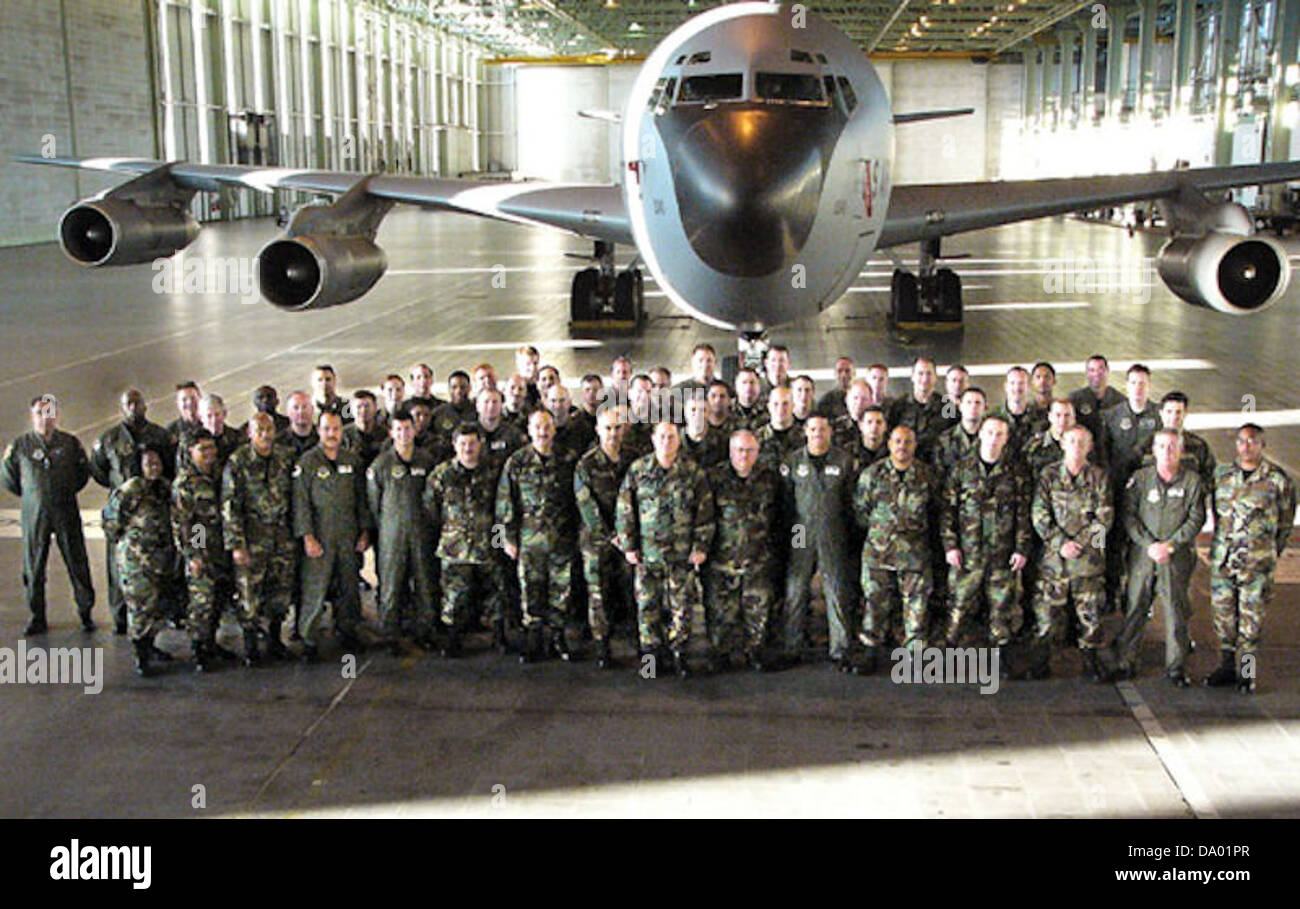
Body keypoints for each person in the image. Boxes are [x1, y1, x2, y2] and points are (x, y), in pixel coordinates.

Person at [616, 421, 715, 677]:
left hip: (681, 555)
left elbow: (705, 512)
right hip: (647, 556)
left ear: (678, 440)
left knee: (681, 608)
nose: (666, 441)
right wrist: (629, 545)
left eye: (671, 437)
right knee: (647, 608)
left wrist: (700, 546)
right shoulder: (638, 471)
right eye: (661, 436)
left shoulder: (693, 473)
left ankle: (679, 655)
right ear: (653, 439)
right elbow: (625, 509)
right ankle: (651, 660)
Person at [1205, 424, 1296, 693]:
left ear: (1262, 445)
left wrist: (1266, 551)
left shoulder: (1278, 480)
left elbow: (1285, 524)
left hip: (1256, 564)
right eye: (1242, 441)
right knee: (1223, 616)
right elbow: (1216, 514)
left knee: (1251, 620)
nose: (1246, 446)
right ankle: (1226, 666)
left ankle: (1247, 672)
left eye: (1253, 441)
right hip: (1224, 559)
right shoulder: (1222, 476)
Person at [1113, 430, 1206, 686]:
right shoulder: (1140, 480)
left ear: (1180, 450)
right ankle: (1126, 661)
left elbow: (1196, 518)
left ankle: (1176, 667)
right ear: (1153, 450)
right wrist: (1149, 544)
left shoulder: (1192, 482)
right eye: (1162, 446)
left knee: (1176, 611)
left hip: (1175, 558)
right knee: (1135, 607)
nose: (1166, 452)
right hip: (1143, 556)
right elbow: (1129, 515)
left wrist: (1171, 545)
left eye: (1172, 447)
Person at [2, 395, 95, 634]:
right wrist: (34, 496)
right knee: (34, 566)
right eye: (40, 413)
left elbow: (82, 474)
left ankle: (85, 612)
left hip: (65, 510)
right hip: (35, 514)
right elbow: (9, 478)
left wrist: (62, 491)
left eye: (49, 412)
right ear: (32, 417)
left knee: (77, 562)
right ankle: (37, 616)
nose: (45, 418)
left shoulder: (70, 443)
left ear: (56, 415)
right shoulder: (20, 446)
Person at [939, 415, 1031, 652]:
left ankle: (1000, 657)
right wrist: (950, 545)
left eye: (999, 434)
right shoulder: (962, 469)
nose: (993, 439)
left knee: (1001, 610)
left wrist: (1021, 549)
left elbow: (1023, 514)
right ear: (980, 433)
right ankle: (950, 652)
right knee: (958, 608)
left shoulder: (1015, 472)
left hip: (1002, 554)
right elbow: (947, 510)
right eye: (989, 432)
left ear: (1006, 438)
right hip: (967, 554)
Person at [1028, 426, 1113, 681]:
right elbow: (1039, 514)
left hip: (1088, 562)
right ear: (1063, 444)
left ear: (1090, 447)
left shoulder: (1100, 477)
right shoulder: (1049, 475)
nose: (1077, 446)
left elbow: (1104, 519)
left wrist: (1082, 545)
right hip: (1054, 561)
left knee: (1091, 616)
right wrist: (1060, 543)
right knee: (1047, 615)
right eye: (1072, 441)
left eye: (1082, 442)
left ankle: (1091, 662)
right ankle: (1042, 662)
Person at [855, 426, 939, 672]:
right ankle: (871, 651)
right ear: (889, 443)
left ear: (915, 445)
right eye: (898, 441)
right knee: (875, 604)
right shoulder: (873, 474)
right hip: (878, 553)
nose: (902, 446)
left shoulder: (927, 476)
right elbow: (861, 512)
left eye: (908, 442)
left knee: (917, 607)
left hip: (915, 554)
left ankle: (915, 656)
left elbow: (935, 511)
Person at [498, 410, 579, 663]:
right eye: (537, 427)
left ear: (554, 429)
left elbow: (579, 499)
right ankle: (533, 637)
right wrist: (507, 538)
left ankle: (557, 636)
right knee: (530, 589)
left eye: (547, 426)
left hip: (562, 538)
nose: (543, 431)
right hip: (529, 539)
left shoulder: (568, 459)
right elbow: (504, 502)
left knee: (560, 590)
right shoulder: (517, 461)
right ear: (529, 430)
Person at [90, 389, 173, 634]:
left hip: (158, 520)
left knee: (162, 576)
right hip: (128, 522)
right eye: (129, 403)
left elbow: (194, 524)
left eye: (138, 403)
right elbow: (99, 471)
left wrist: (196, 548)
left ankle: (159, 626)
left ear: (146, 406)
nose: (134, 408)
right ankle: (123, 621)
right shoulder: (109, 439)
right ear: (122, 407)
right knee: (121, 572)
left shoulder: (160, 436)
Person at [780, 414, 859, 670]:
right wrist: (789, 534)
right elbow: (786, 501)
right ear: (805, 431)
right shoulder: (793, 461)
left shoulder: (844, 461)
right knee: (796, 588)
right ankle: (792, 645)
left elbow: (851, 503)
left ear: (830, 432)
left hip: (832, 532)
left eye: (822, 429)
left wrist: (848, 535)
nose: (818, 433)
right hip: (800, 531)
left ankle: (841, 649)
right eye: (813, 429)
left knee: (836, 590)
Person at [292, 411, 372, 659]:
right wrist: (306, 535)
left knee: (349, 585)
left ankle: (348, 631)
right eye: (327, 429)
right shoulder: (307, 463)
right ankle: (308, 638)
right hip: (320, 535)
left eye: (336, 429)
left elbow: (361, 499)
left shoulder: (353, 461)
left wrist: (364, 530)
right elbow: (301, 502)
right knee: (315, 586)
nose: (331, 434)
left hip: (347, 533)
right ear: (319, 430)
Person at [425, 424, 510, 654]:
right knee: (454, 595)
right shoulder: (442, 474)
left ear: (480, 444)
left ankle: (499, 636)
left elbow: (503, 507)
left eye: (472, 443)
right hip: (455, 546)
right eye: (462, 443)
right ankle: (452, 638)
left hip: (489, 541)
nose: (468, 448)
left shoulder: (493, 470)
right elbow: (431, 511)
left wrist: (499, 543)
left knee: (495, 591)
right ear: (454, 445)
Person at [222, 413, 297, 666]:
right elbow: (230, 505)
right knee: (248, 594)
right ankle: (251, 647)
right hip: (252, 540)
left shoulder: (285, 458)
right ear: (250, 433)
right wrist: (236, 544)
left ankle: (275, 640)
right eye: (259, 430)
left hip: (281, 539)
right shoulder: (238, 461)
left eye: (269, 429)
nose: (265, 434)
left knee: (280, 592)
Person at [705, 430, 782, 671]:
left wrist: (782, 550)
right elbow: (704, 516)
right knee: (720, 612)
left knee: (757, 610)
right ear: (730, 451)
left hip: (758, 559)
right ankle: (721, 653)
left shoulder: (770, 479)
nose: (743, 455)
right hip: (721, 560)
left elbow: (783, 517)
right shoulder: (714, 478)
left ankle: (755, 652)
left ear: (758, 453)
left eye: (749, 450)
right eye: (739, 450)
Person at [366, 409, 438, 654]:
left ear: (415, 430)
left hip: (422, 533)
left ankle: (426, 631)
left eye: (408, 428)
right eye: (398, 429)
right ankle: (390, 635)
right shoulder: (381, 465)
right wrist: (384, 530)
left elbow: (434, 499)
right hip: (391, 535)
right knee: (391, 587)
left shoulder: (426, 461)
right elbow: (374, 505)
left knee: (425, 583)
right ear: (391, 432)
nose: (404, 434)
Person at [103, 447, 174, 676]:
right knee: (140, 607)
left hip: (161, 558)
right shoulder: (131, 489)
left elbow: (190, 521)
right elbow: (112, 521)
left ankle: (150, 645)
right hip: (136, 560)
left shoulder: (165, 488)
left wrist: (196, 547)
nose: (154, 467)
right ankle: (140, 655)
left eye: (157, 462)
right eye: (148, 463)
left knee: (157, 606)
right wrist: (128, 544)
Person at [172, 430, 236, 671]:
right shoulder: (186, 483)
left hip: (223, 546)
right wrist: (195, 554)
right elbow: (185, 523)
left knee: (220, 598)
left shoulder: (221, 473)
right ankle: (199, 648)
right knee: (202, 602)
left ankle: (211, 642)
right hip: (202, 548)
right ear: (191, 452)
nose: (209, 453)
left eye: (211, 448)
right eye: (203, 449)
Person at [575, 406, 633, 668]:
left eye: (618, 428)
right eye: (608, 428)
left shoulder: (635, 460)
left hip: (629, 541)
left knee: (631, 590)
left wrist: (628, 537)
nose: (613, 434)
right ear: (598, 430)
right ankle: (602, 644)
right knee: (598, 593)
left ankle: (637, 641)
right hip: (596, 540)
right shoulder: (585, 464)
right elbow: (587, 506)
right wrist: (611, 535)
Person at [887, 357, 947, 460]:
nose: (924, 378)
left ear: (936, 377)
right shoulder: (899, 406)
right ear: (912, 376)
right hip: (907, 463)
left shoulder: (947, 406)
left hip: (937, 465)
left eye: (929, 374)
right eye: (920, 373)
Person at [1069, 354, 1124, 444]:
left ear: (1107, 371)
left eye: (1101, 369)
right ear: (1086, 373)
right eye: (1092, 370)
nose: (1096, 374)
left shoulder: (1120, 400)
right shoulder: (1075, 400)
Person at [198, 394, 243, 467]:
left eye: (217, 414)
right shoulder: (193, 441)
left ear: (224, 414)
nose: (214, 420)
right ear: (201, 418)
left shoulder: (237, 437)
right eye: (209, 416)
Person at [281, 392, 319, 458]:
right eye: (296, 408)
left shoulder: (324, 437)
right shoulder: (278, 442)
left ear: (312, 410)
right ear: (288, 412)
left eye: (304, 407)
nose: (301, 411)